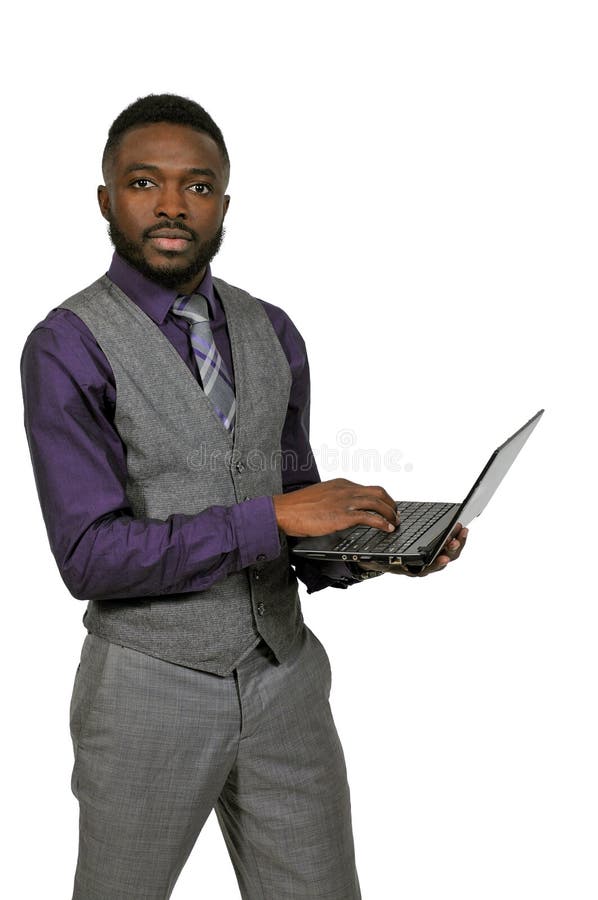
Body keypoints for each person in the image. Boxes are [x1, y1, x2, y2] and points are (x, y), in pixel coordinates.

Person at [20, 94, 467, 900]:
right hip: (149, 686)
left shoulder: (275, 330)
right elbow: (90, 556)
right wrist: (275, 519)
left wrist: (372, 550)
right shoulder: (67, 344)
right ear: (105, 200)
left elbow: (296, 505)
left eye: (196, 186)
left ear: (223, 203)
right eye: (143, 182)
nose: (169, 206)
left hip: (284, 677)